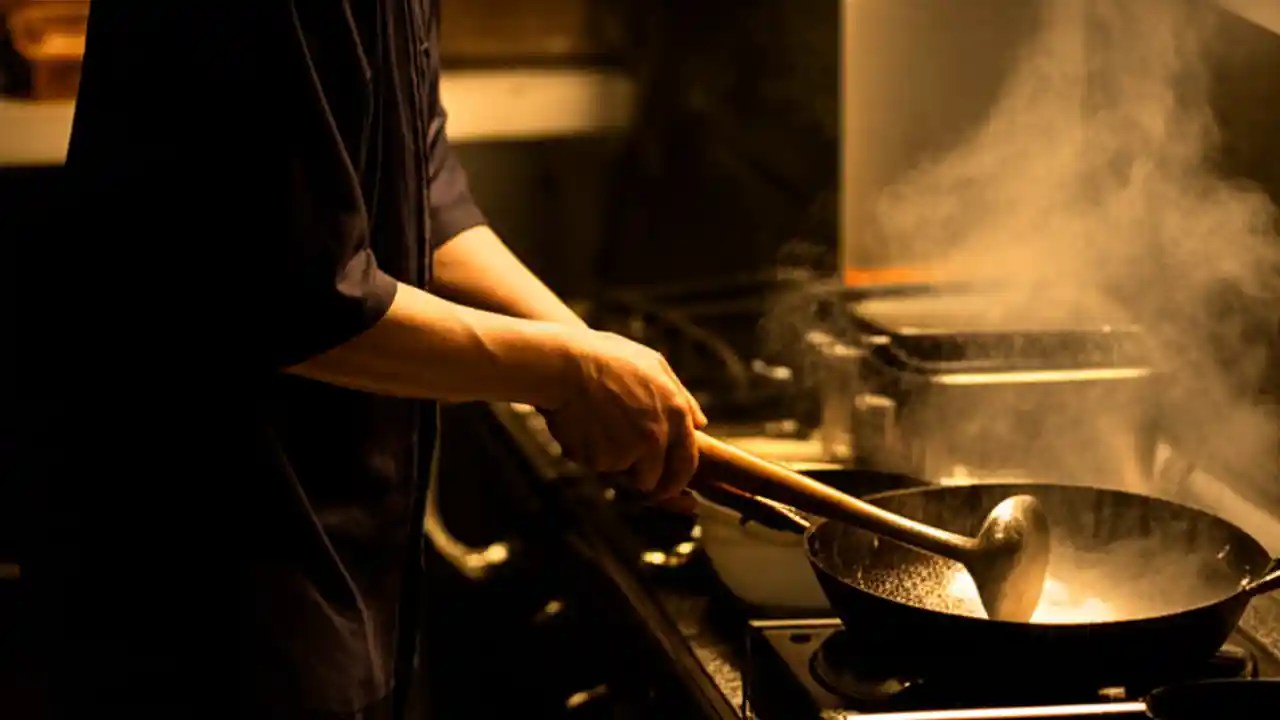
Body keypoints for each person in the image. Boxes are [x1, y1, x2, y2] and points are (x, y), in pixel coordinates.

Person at [19, 2, 704, 718]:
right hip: (202, 569)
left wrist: (599, 366)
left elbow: (425, 196)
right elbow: (296, 293)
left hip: (342, 565)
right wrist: (566, 373)